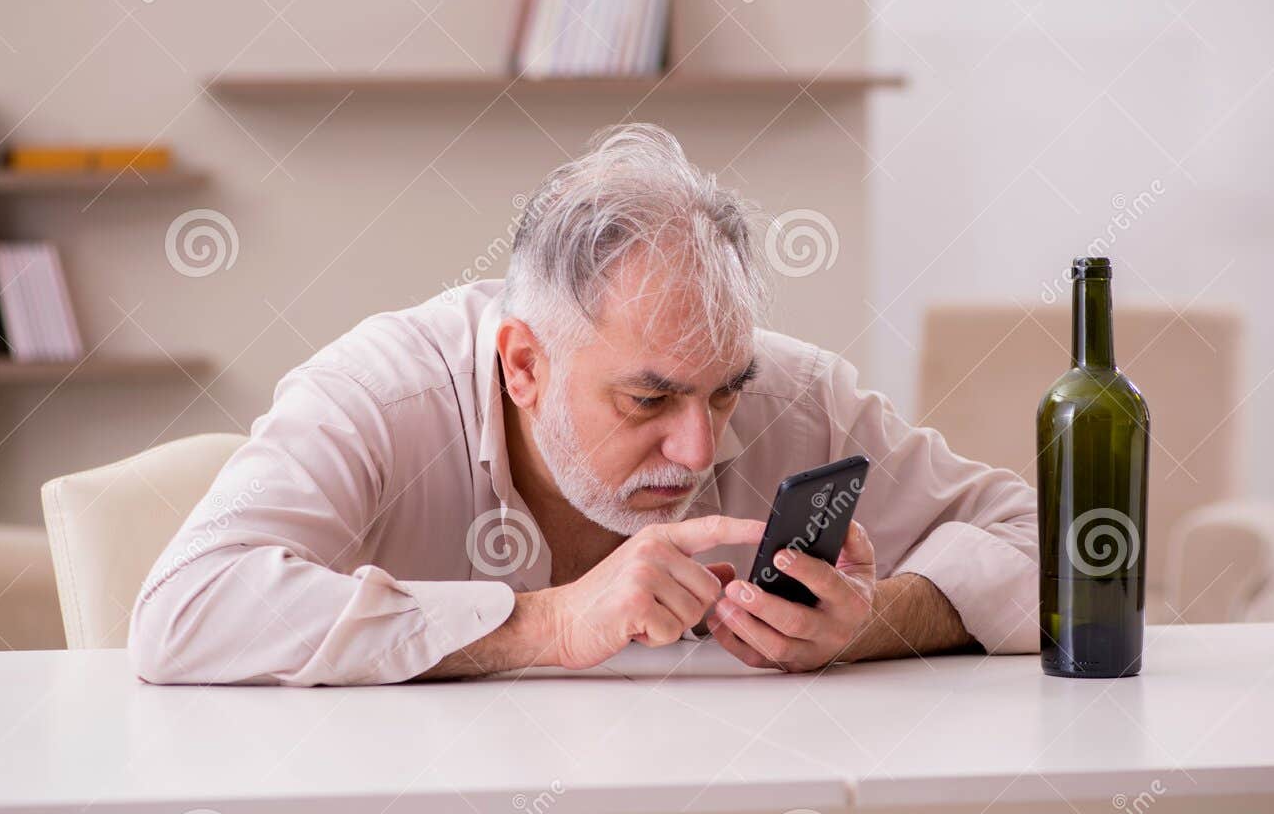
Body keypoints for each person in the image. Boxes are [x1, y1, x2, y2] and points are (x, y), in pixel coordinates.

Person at [130, 124, 1037, 686]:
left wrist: (869, 623)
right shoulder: (377, 394)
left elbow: (1067, 550)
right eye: (649, 399)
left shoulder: (797, 394)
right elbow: (184, 611)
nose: (694, 447)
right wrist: (552, 624)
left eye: (724, 392)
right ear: (523, 366)